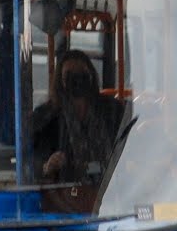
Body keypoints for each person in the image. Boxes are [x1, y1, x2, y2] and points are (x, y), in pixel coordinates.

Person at [33, 50, 124, 184]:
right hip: (63, 195)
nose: (77, 80)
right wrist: (47, 166)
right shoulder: (47, 116)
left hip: (110, 188)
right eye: (70, 75)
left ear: (91, 76)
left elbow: (127, 144)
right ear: (60, 81)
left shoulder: (112, 110)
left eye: (82, 74)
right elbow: (33, 160)